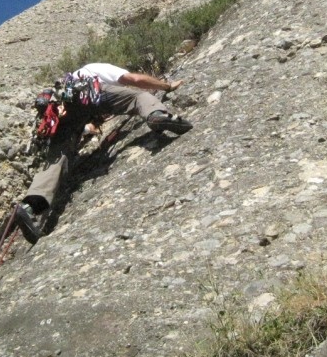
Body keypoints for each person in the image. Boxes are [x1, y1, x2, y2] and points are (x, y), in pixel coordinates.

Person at [13, 63, 192, 242]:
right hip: (89, 93)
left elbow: (83, 126)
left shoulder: (66, 86)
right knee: (138, 97)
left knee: (57, 160)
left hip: (65, 111)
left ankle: (30, 207)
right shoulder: (96, 68)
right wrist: (166, 86)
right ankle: (156, 115)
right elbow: (135, 80)